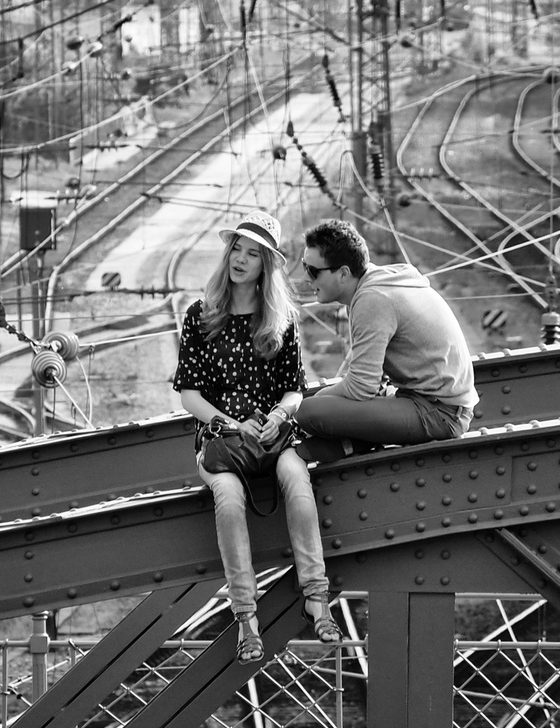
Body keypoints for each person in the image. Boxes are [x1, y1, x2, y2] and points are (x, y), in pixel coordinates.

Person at [173, 210, 343, 664]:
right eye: (236, 249)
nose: (240, 259)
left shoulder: (281, 318)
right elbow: (189, 395)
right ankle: (245, 615)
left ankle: (315, 594)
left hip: (272, 437)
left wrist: (280, 413)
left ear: (266, 264)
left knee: (298, 480)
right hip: (222, 442)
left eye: (252, 253)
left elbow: (295, 387)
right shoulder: (201, 314)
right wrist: (230, 423)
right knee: (228, 499)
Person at [295, 219, 477, 460]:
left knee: (308, 411)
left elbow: (361, 387)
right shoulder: (376, 283)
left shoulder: (372, 300)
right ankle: (352, 444)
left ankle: (351, 443)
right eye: (304, 266)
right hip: (428, 401)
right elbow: (371, 380)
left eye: (313, 271)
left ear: (343, 273)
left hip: (440, 412)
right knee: (320, 407)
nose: (307, 278)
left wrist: (317, 402)